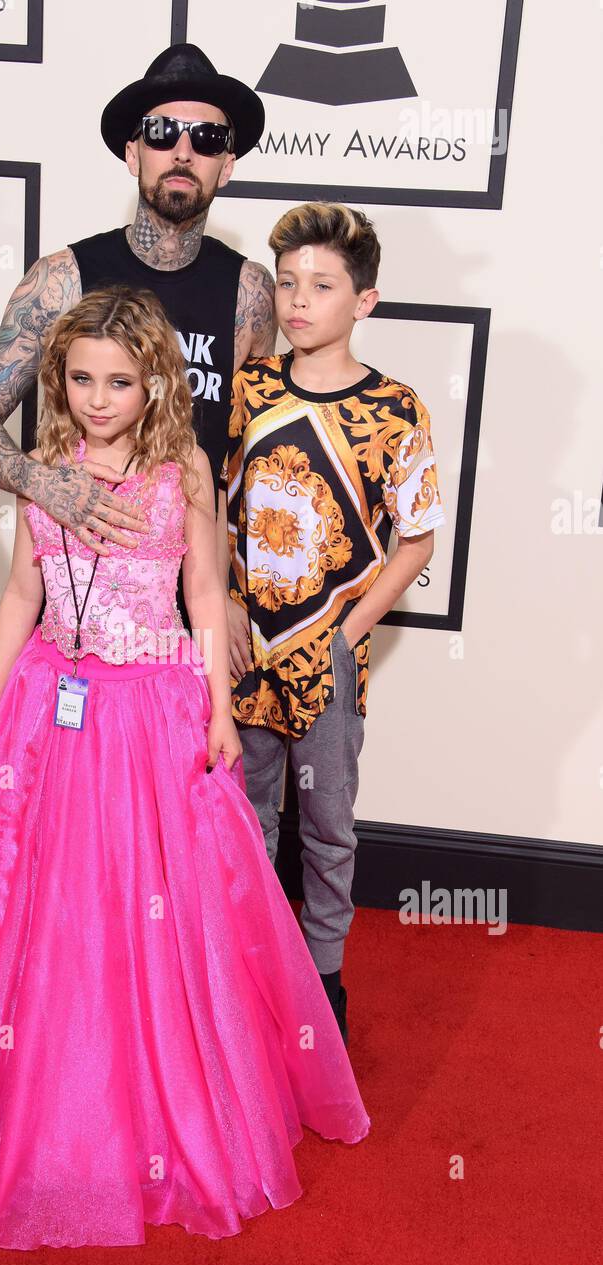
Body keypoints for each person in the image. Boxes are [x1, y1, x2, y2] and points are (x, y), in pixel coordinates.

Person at [0, 285, 369, 1252]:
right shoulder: (46, 469)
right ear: (59, 381)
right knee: (39, 906)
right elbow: (20, 592)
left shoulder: (181, 469)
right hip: (47, 707)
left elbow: (208, 592)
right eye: (81, 379)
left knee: (161, 908)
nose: (98, 399)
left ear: (154, 384)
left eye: (120, 382)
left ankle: (157, 1098)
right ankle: (29, 1087)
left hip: (151, 706)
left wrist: (220, 707)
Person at [0, 42, 277, 633]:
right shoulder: (61, 281)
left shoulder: (251, 295)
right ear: (133, 152)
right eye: (161, 132)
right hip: (79, 608)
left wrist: (228, 595)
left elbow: (243, 465)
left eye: (206, 139)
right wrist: (48, 486)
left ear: (226, 165)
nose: (182, 151)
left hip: (192, 619)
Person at [218, 201, 446, 1046]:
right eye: (285, 284)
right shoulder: (249, 389)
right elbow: (213, 503)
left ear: (365, 301)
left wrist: (344, 639)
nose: (297, 301)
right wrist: (231, 603)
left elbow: (414, 542)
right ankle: (236, 971)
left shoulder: (395, 409)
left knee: (326, 826)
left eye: (320, 285)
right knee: (240, 812)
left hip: (331, 658)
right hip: (245, 647)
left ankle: (320, 989)